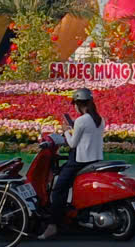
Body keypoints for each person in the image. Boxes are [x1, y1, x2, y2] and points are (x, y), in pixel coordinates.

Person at [39, 88, 105, 240]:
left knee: (58, 189)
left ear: (78, 104)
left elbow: (73, 144)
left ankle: (53, 225)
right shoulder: (99, 119)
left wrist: (66, 131)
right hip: (95, 159)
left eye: (75, 104)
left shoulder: (82, 120)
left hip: (79, 160)